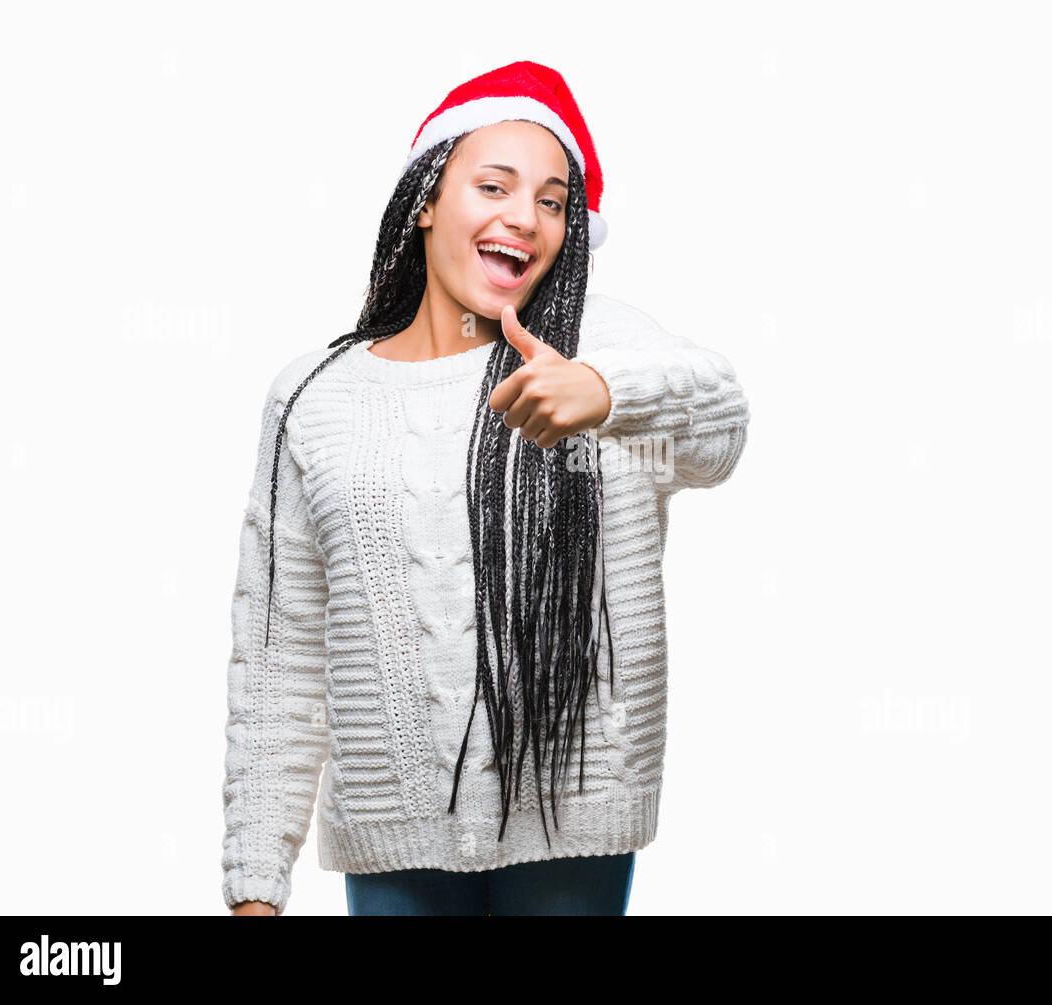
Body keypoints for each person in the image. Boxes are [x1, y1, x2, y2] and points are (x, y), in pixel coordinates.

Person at [221, 60, 750, 916]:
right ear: (427, 197)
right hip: (390, 838)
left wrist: (607, 396)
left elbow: (722, 433)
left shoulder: (598, 343)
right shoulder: (314, 398)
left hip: (575, 829)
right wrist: (254, 884)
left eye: (551, 200)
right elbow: (281, 659)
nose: (524, 216)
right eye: (494, 184)